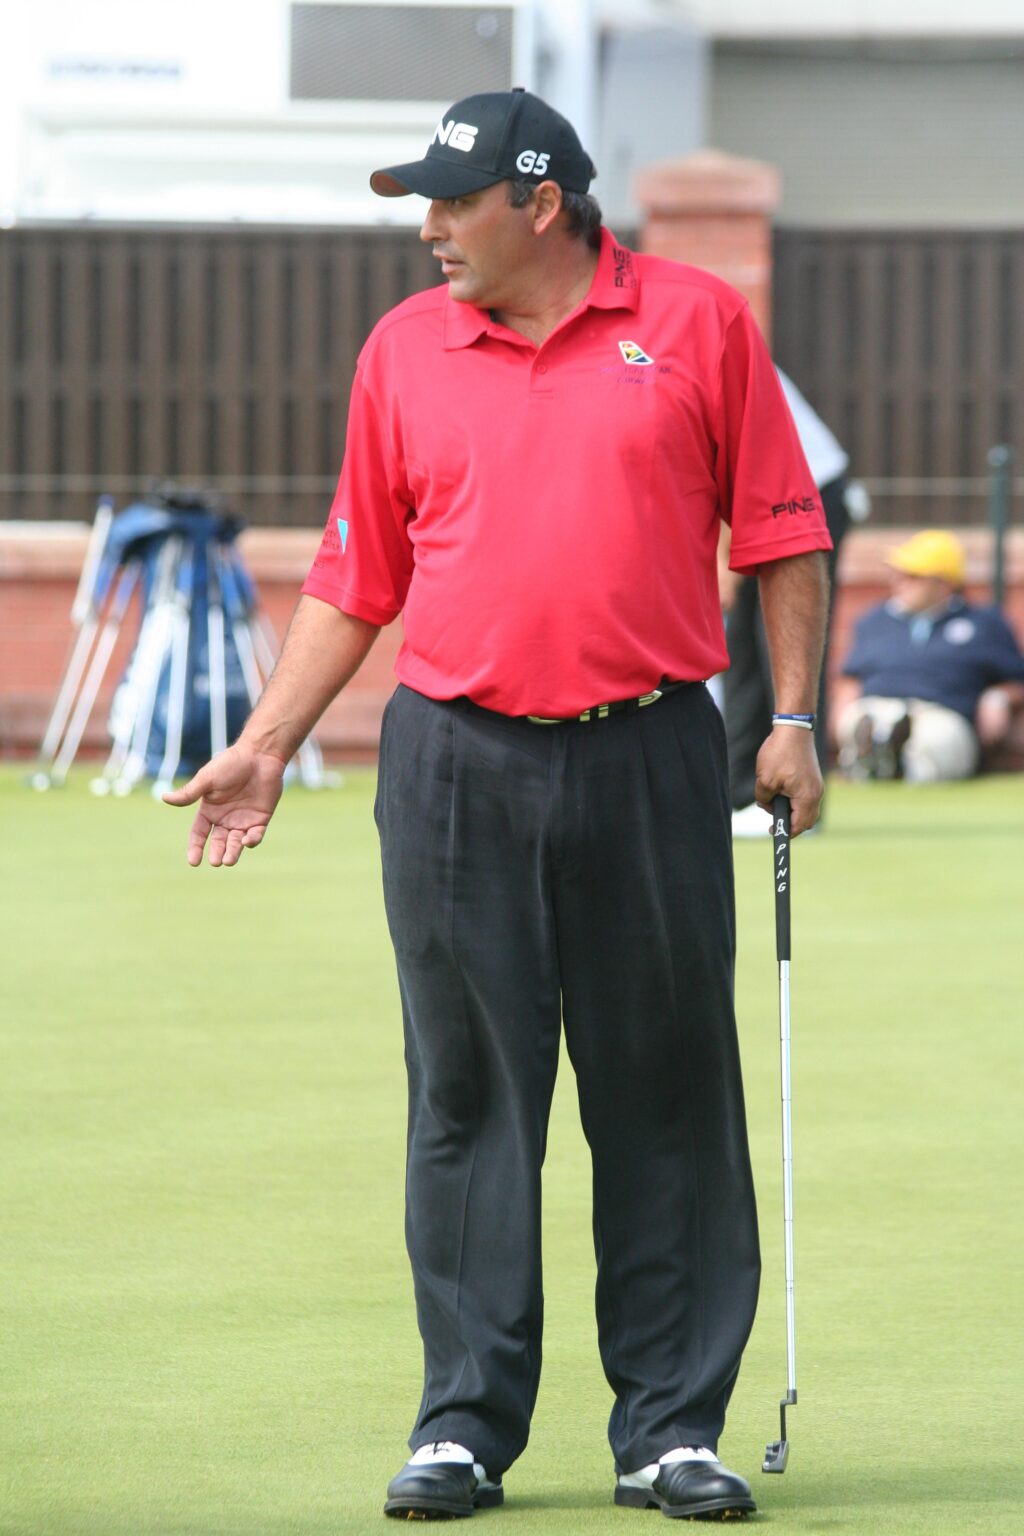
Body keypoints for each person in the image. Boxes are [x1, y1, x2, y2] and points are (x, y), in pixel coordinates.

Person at [165, 89, 831, 1522]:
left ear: (542, 203)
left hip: (651, 753)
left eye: (451, 202)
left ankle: (669, 1430)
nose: (427, 231)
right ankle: (463, 1424)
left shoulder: (700, 322)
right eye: (424, 202)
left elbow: (782, 533)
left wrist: (786, 719)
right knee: (468, 1100)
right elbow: (356, 576)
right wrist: (270, 741)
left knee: (666, 1097)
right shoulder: (405, 349)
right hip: (454, 763)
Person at [722, 369, 855, 836]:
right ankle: (741, 793)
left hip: (810, 487)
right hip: (751, 495)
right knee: (737, 641)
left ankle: (794, 798)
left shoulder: (700, 328)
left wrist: (723, 562)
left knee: (784, 640)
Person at [835, 529, 1024, 782]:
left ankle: (889, 762)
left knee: (933, 741)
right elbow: (850, 679)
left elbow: (1016, 680)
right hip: (877, 706)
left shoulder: (984, 623)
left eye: (914, 577)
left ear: (944, 583)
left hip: (942, 714)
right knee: (864, 720)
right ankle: (881, 752)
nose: (900, 583)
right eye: (899, 574)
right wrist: (839, 715)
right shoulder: (873, 621)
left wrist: (999, 697)